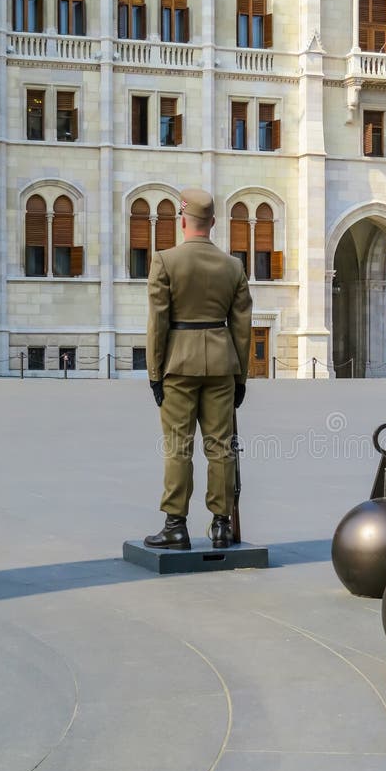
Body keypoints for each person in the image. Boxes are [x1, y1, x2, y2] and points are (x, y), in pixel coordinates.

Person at [144, 188, 252, 550]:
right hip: (221, 363)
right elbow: (242, 327)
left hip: (178, 363)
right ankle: (221, 524)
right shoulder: (233, 266)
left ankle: (176, 524)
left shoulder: (165, 261)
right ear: (214, 223)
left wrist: (154, 373)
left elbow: (157, 323)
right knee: (221, 447)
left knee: (178, 446)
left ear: (182, 220)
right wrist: (240, 377)